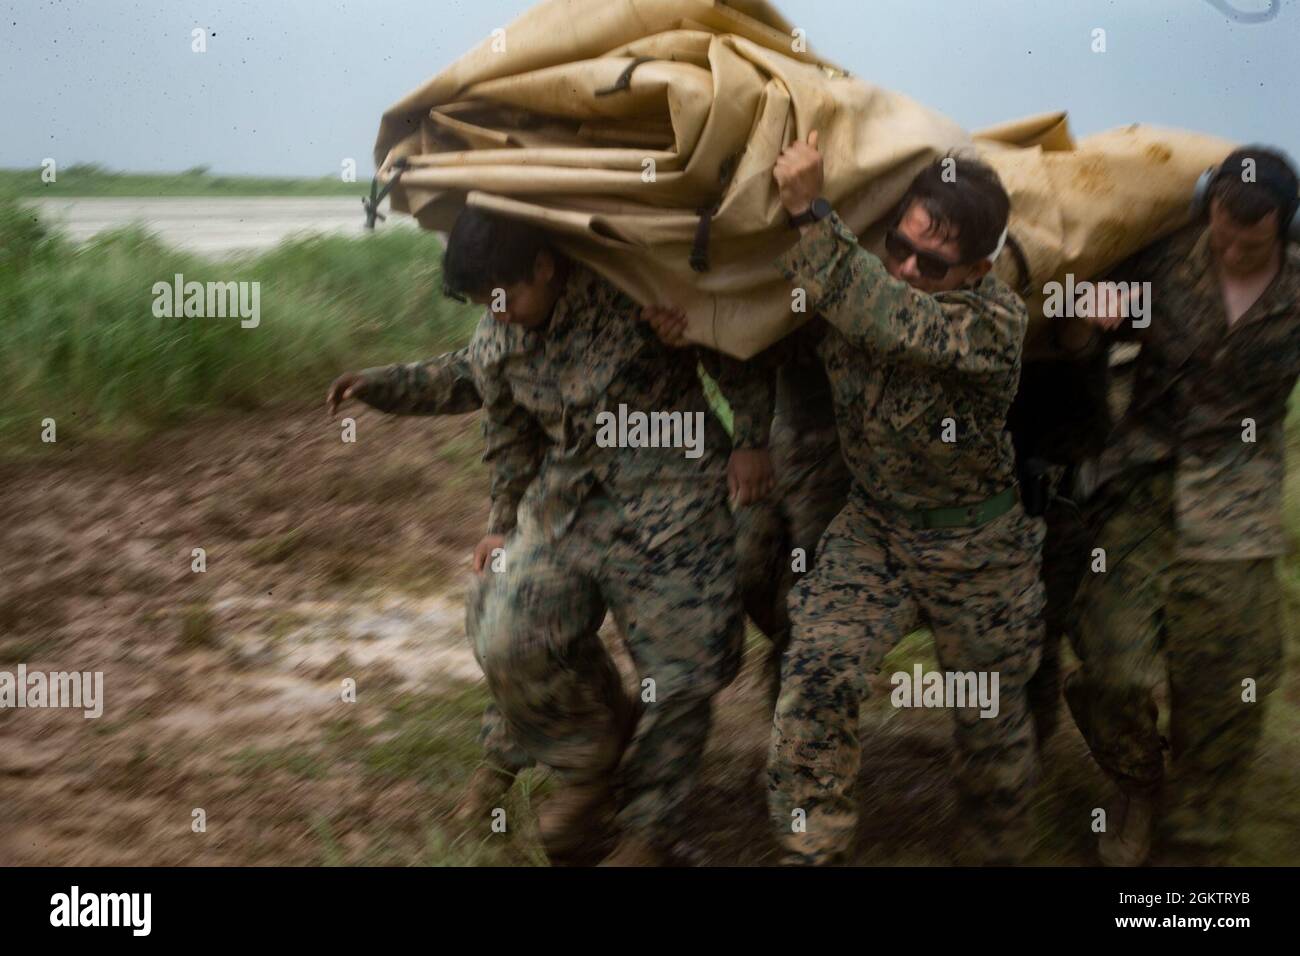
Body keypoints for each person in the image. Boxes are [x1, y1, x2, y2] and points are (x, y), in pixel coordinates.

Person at [332, 206, 773, 866]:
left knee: (683, 674)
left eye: (502, 294)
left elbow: (730, 344)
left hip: (673, 500)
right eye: (483, 301)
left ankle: (647, 830)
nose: (495, 310)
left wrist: (751, 441)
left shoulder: (637, 288)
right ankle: (591, 749)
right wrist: (501, 523)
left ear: (544, 265)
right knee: (506, 632)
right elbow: (499, 422)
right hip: (569, 505)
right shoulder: (498, 334)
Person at [764, 137, 1046, 865]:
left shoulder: (992, 324)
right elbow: (758, 326)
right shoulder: (860, 282)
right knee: (818, 672)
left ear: (979, 270)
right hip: (876, 530)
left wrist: (809, 209)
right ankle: (813, 846)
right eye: (899, 247)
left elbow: (887, 315)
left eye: (934, 263)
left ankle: (993, 850)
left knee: (991, 725)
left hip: (976, 547)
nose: (909, 268)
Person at [1063, 146, 1300, 866]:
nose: (1228, 248)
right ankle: (1136, 781)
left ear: (1285, 232)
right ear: (1207, 208)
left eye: (1248, 241)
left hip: (1237, 485)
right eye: (1221, 229)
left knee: (1231, 667)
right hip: (1141, 474)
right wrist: (1090, 318)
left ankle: (1198, 826)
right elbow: (1071, 327)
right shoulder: (1165, 262)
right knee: (1110, 659)